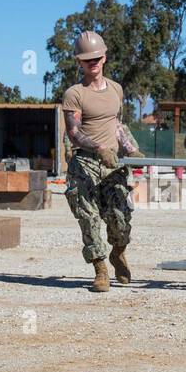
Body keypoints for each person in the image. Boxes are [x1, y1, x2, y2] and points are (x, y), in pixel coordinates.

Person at [61, 30, 140, 292]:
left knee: (120, 218)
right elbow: (74, 132)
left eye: (96, 57)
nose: (92, 62)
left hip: (113, 164)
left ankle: (118, 252)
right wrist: (99, 147)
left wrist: (131, 148)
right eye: (87, 59)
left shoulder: (116, 89)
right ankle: (101, 270)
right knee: (89, 217)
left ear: (104, 57)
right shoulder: (74, 93)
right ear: (80, 62)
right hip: (85, 163)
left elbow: (116, 124)